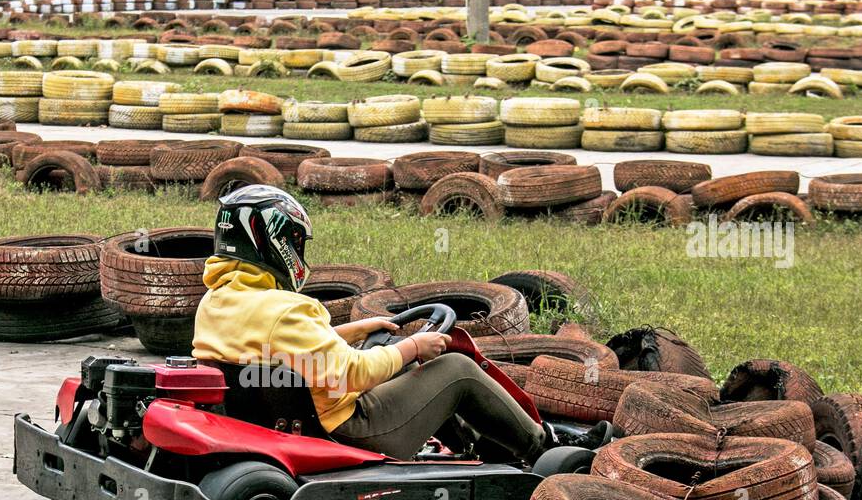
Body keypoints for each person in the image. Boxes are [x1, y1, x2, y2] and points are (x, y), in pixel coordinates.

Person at [191, 185, 608, 461]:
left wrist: (344, 334)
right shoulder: (287, 308)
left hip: (280, 422)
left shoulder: (219, 301)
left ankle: (471, 448)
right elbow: (351, 374)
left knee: (403, 362)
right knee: (454, 369)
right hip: (350, 432)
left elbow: (268, 350)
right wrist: (411, 347)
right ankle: (545, 446)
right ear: (277, 242)